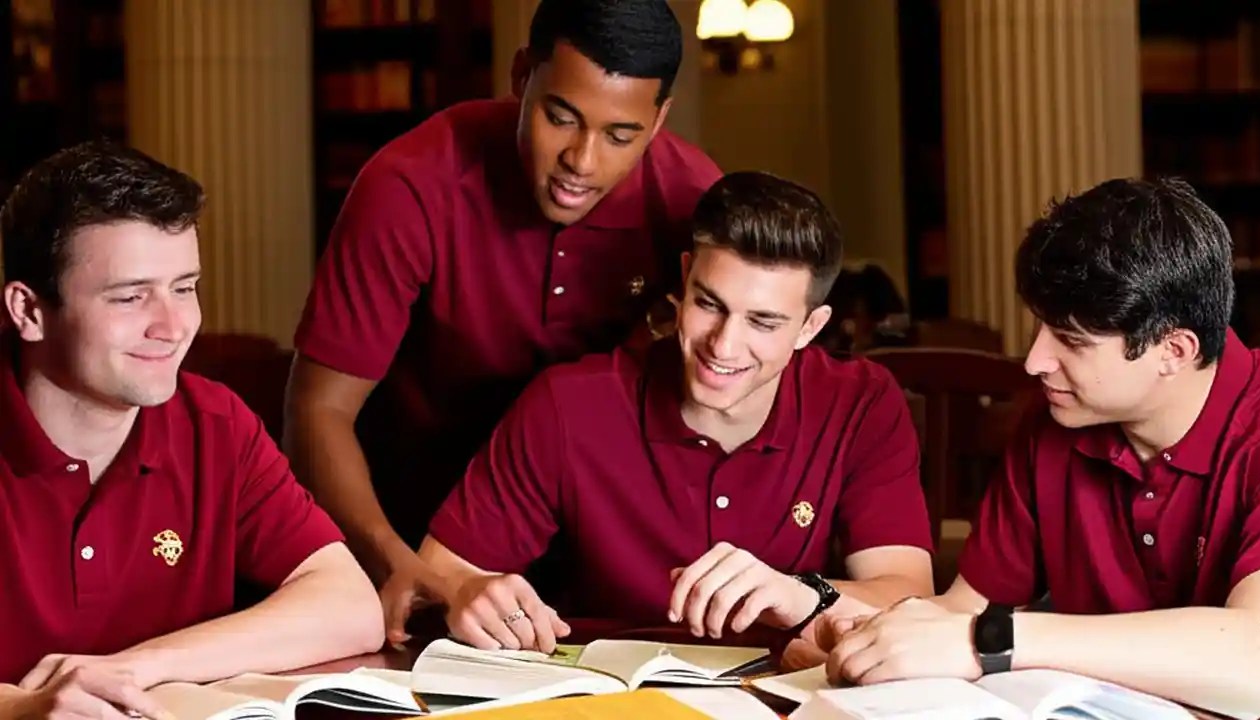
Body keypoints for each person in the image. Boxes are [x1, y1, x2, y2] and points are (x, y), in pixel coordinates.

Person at [284, 0, 722, 616]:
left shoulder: (691, 201)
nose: (583, 161)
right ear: (522, 77)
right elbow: (317, 410)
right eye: (560, 117)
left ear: (658, 120)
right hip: (406, 531)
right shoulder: (411, 183)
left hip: (600, 560)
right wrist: (392, 559)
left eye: (620, 135)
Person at [381, 171, 934, 651]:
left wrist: (800, 594)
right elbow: (440, 570)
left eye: (763, 323)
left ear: (810, 328)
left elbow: (907, 595)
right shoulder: (569, 404)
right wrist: (467, 593)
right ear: (686, 277)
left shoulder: (862, 401)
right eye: (709, 304)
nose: (723, 345)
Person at [818, 178, 1260, 718]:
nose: (1035, 361)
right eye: (1041, 327)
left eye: (1073, 341)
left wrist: (991, 641)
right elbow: (963, 610)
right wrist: (856, 628)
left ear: (1173, 350)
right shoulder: (1056, 421)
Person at [0, 141, 383, 716]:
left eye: (184, 288)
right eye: (130, 297)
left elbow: (352, 607)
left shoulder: (215, 424)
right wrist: (24, 709)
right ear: (29, 312)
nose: (175, 326)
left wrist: (135, 668)